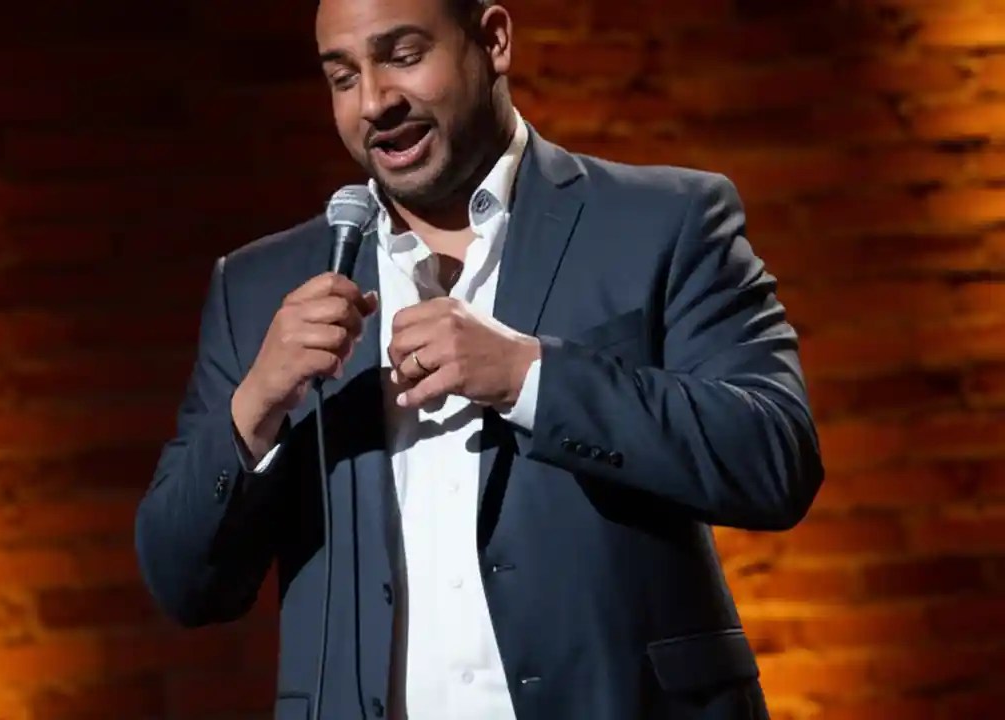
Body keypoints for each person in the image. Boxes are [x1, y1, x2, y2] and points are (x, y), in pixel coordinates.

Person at [135, 0, 824, 717]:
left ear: (493, 41)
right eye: (343, 77)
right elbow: (184, 584)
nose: (374, 102)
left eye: (403, 56)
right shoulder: (258, 290)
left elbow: (774, 459)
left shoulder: (667, 221)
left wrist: (530, 377)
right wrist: (255, 408)